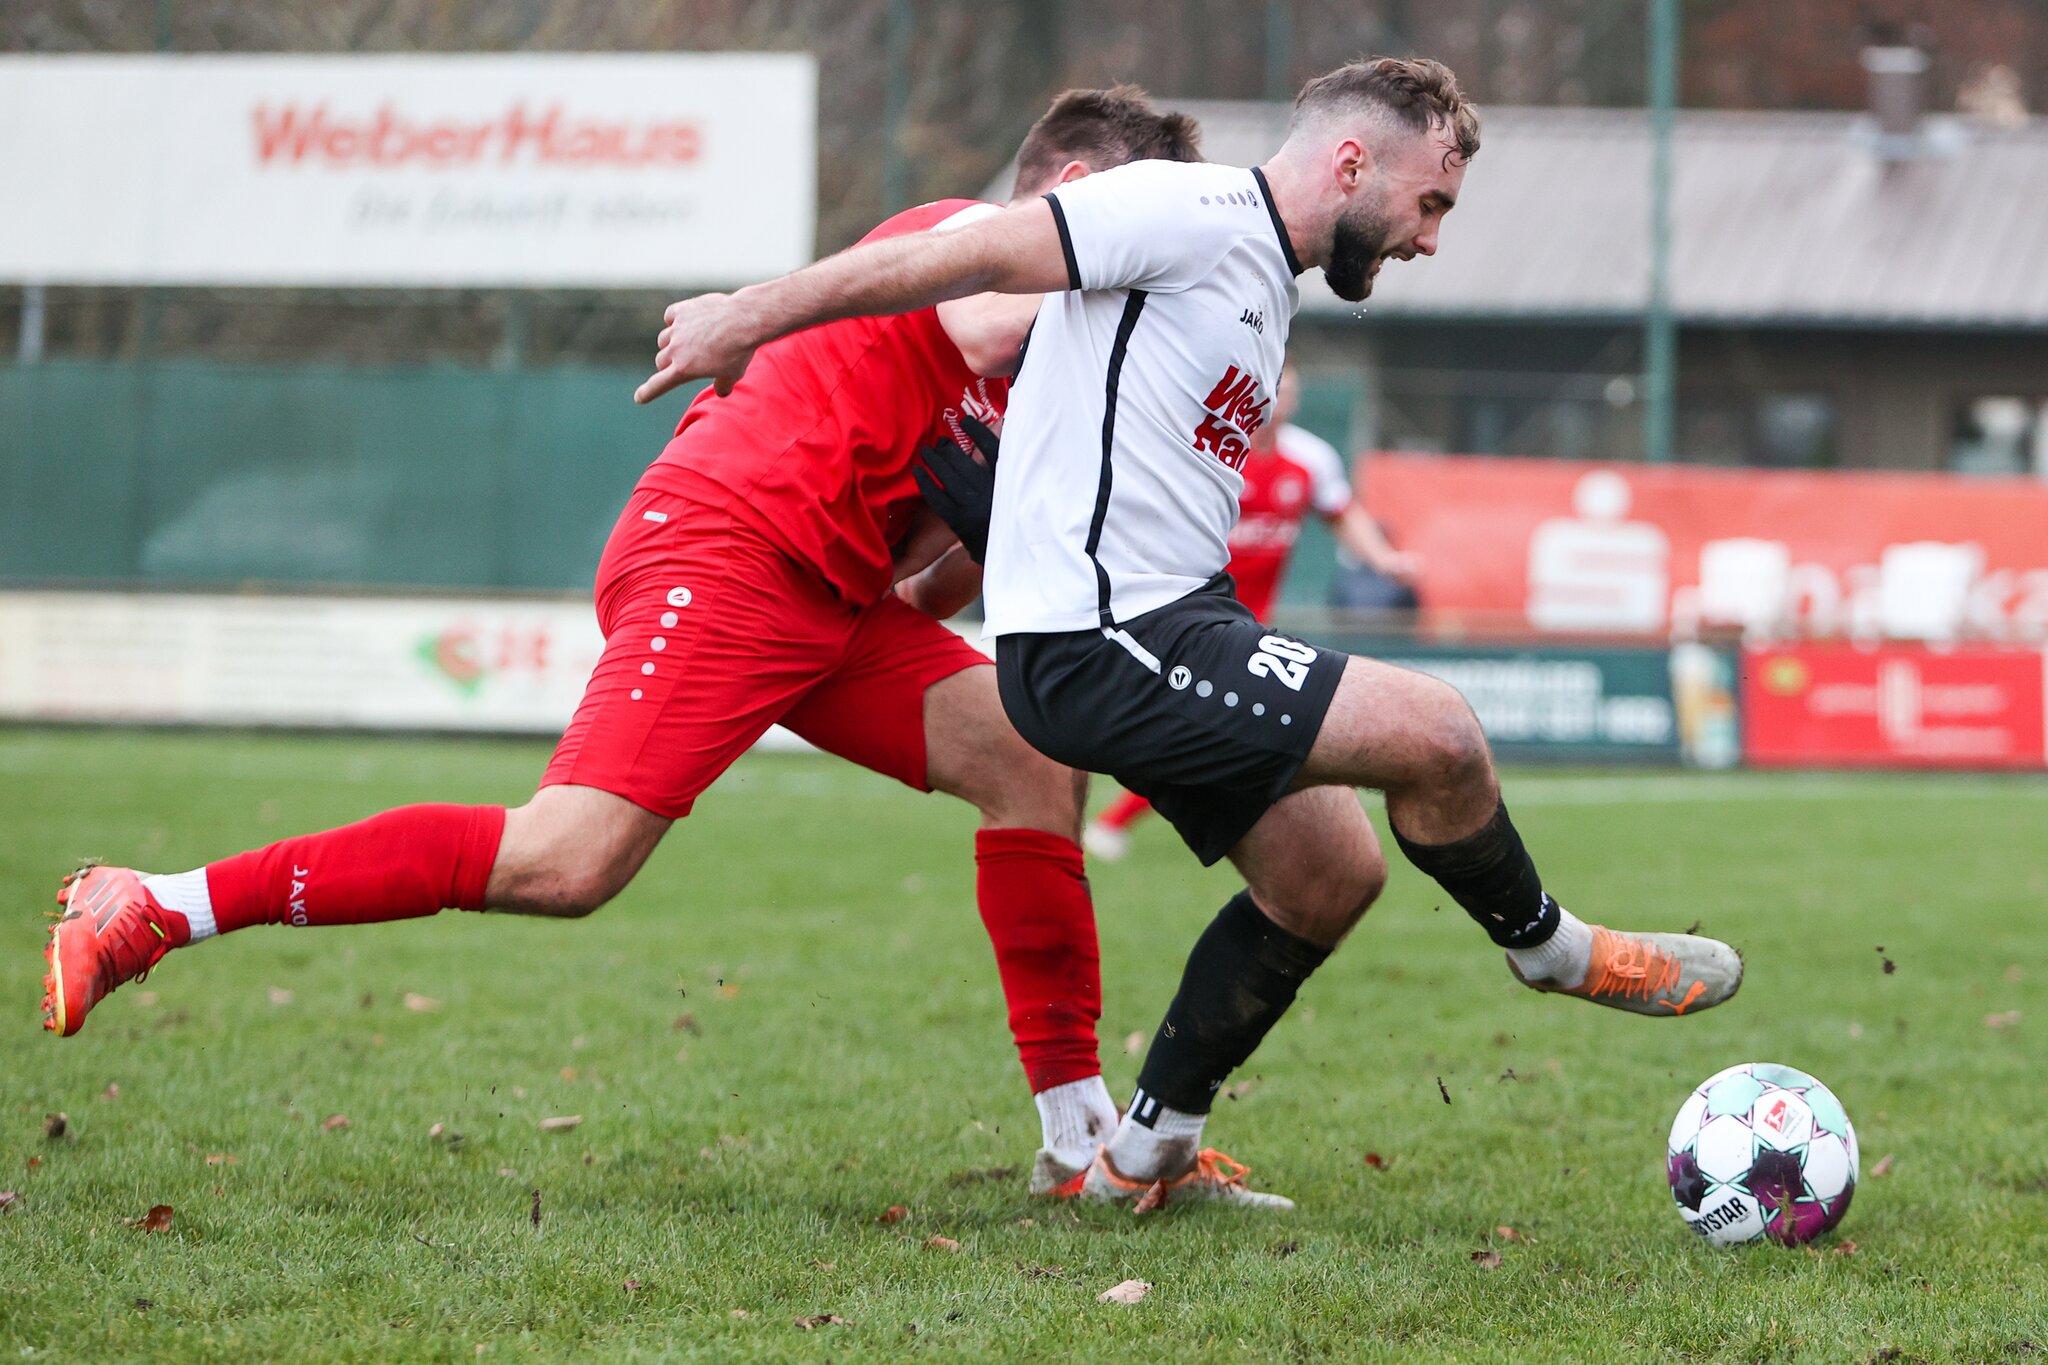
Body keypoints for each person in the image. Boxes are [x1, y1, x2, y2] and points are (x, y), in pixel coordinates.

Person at [41, 88, 1219, 1203]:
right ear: (1067, 189)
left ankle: (1077, 1143)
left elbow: (948, 576)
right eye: (1144, 220)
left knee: (1025, 757)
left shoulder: (1034, 381)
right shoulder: (968, 244)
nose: (1159, 251)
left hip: (830, 602)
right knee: (566, 864)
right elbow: (986, 311)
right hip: (725, 549)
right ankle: (152, 903)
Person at [635, 55, 1745, 1211]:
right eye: (1430, 204)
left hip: (1165, 621)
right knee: (1442, 735)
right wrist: (744, 315)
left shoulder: (1259, 278)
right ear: (1351, 161)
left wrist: (948, 576)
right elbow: (958, 257)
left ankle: (1141, 1156)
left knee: (1328, 870)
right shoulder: (1185, 210)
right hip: (1107, 635)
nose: (1428, 241)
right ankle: (1551, 950)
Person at [1083, 358, 1420, 861]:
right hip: (1185, 617)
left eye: (1290, 390)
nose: (1280, 398)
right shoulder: (1206, 449)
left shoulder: (1311, 458)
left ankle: (1287, 836)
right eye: (1274, 386)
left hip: (1252, 625)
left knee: (1225, 729)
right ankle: (1112, 821)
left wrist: (1384, 559)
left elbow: (1343, 515)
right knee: (1200, 727)